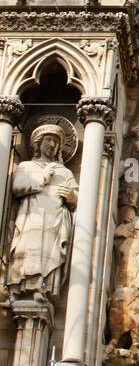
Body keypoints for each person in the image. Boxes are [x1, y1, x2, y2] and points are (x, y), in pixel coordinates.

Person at [6, 125, 77, 302]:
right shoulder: (27, 166)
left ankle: (41, 287)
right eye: (48, 140)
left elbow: (77, 197)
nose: (52, 144)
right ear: (38, 144)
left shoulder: (64, 172)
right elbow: (17, 187)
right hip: (32, 215)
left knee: (48, 254)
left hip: (55, 220)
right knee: (25, 249)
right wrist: (42, 178)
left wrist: (71, 196)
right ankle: (15, 289)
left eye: (56, 142)